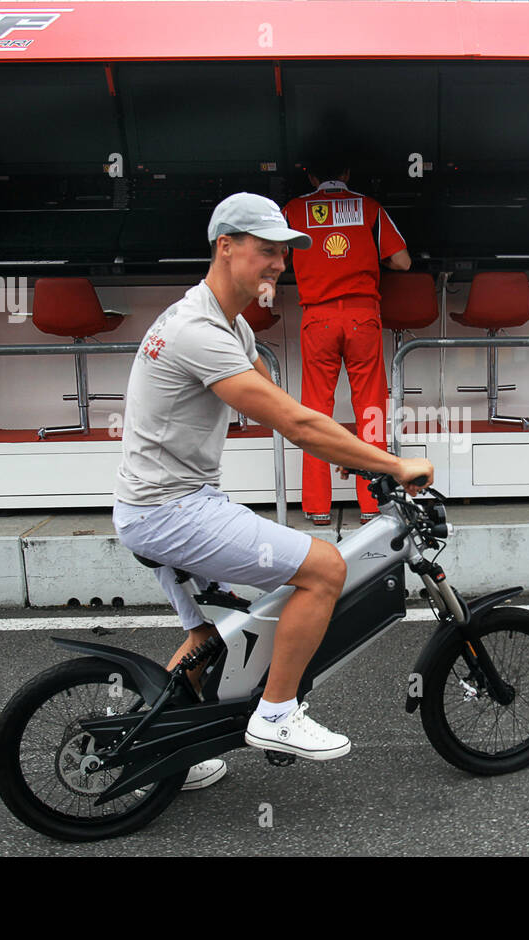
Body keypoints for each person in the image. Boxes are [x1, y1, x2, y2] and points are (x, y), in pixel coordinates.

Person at [112, 193, 433, 790]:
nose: (278, 265)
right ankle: (277, 713)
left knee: (212, 640)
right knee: (324, 569)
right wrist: (391, 462)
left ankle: (157, 750)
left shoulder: (226, 322)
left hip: (156, 507)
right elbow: (297, 423)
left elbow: (297, 415)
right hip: (171, 511)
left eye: (283, 254)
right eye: (266, 251)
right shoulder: (199, 332)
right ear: (225, 246)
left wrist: (359, 460)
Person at [282, 159, 412, 526]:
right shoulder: (369, 208)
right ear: (348, 173)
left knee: (314, 413)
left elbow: (274, 257)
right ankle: (373, 505)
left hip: (318, 319)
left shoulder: (292, 210)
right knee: (370, 408)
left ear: (311, 175)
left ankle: (317, 506)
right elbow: (401, 261)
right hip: (361, 317)